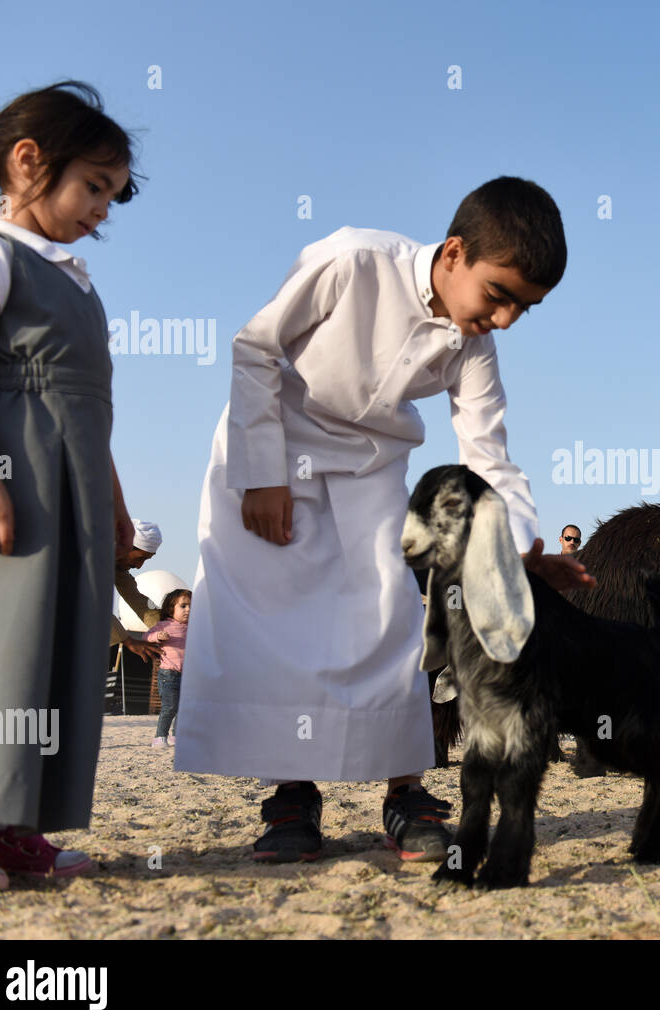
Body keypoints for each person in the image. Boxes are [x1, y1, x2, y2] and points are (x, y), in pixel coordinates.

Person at [176, 176, 593, 866]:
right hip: (271, 450)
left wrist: (518, 547)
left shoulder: (475, 346)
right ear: (454, 253)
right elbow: (255, 347)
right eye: (500, 295)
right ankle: (291, 799)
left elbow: (488, 455)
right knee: (274, 628)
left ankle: (407, 794)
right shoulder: (352, 261)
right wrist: (263, 474)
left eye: (527, 307)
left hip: (370, 469)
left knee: (391, 614)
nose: (509, 319)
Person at [0, 82, 140, 892]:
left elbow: (90, 411)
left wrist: (117, 509)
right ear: (29, 162)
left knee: (53, 647)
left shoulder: (80, 278)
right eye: (93, 186)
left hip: (71, 486)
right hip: (8, 474)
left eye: (111, 193)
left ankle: (15, 825)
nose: (102, 208)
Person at [109, 517, 164, 661]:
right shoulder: (95, 559)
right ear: (125, 546)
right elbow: (93, 604)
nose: (139, 566)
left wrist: (167, 628)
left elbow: (138, 601)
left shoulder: (117, 566)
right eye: (139, 558)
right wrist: (129, 641)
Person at [145, 588, 190, 749]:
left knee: (183, 707)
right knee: (170, 706)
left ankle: (176, 735)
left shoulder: (193, 627)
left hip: (187, 675)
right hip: (168, 674)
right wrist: (158, 636)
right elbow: (146, 636)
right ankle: (160, 737)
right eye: (183, 606)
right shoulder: (164, 625)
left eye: (191, 606)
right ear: (171, 608)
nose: (188, 610)